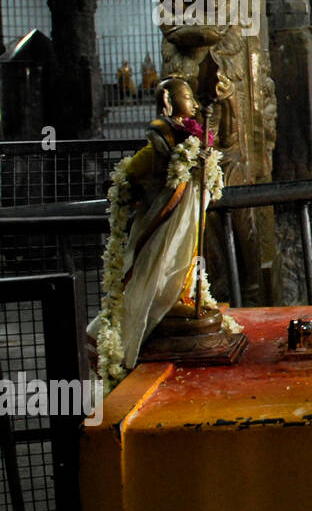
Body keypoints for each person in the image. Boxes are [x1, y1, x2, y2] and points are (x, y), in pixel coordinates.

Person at [87, 77, 238, 387]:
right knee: (162, 265)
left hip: (185, 220)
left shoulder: (189, 136)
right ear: (169, 101)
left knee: (185, 259)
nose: (195, 104)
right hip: (161, 221)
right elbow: (133, 173)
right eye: (187, 97)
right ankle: (158, 310)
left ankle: (182, 296)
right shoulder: (161, 138)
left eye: (195, 99)